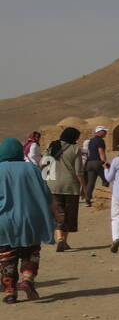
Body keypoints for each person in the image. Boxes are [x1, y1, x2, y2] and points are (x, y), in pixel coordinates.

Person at [0, 137, 56, 303]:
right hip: (30, 218)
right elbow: (45, 194)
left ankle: (10, 290)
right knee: (30, 252)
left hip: (3, 221)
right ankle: (27, 280)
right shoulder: (31, 168)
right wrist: (56, 213)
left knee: (6, 256)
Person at [45, 126, 85, 252]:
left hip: (53, 185)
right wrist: (84, 188)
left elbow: (44, 163)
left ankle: (60, 239)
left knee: (57, 213)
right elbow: (79, 172)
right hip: (71, 187)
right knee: (69, 214)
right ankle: (64, 241)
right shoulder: (75, 149)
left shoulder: (52, 146)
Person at [83, 125, 109, 205]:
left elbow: (89, 153)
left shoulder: (91, 140)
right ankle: (107, 196)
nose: (106, 133)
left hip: (90, 163)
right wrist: (105, 162)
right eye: (104, 131)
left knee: (91, 182)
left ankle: (87, 199)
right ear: (100, 132)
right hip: (98, 163)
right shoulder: (100, 141)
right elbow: (101, 151)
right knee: (107, 178)